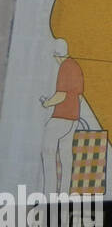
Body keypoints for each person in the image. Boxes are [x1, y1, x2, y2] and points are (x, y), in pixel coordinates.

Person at [40, 39, 84, 194]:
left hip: (60, 116)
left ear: (57, 55)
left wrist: (47, 103)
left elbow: (61, 95)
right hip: (73, 119)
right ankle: (65, 191)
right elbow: (79, 97)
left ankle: (49, 191)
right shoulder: (76, 66)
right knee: (66, 155)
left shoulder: (65, 67)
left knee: (48, 151)